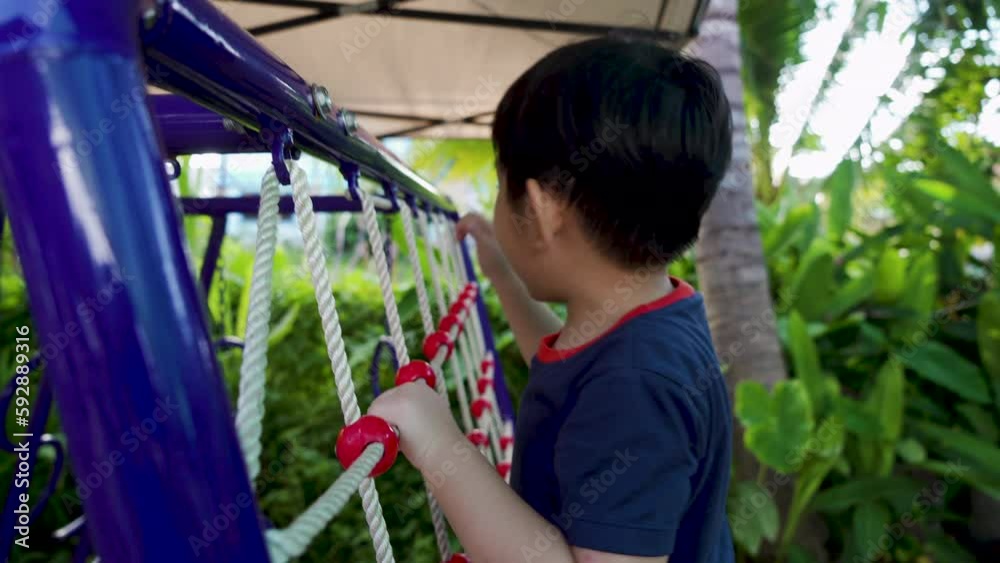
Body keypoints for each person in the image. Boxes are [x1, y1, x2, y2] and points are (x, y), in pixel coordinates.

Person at [369, 36, 735, 563]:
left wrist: (439, 445)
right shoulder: (651, 320)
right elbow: (562, 360)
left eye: (501, 184)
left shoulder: (636, 384)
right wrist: (502, 271)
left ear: (542, 210)